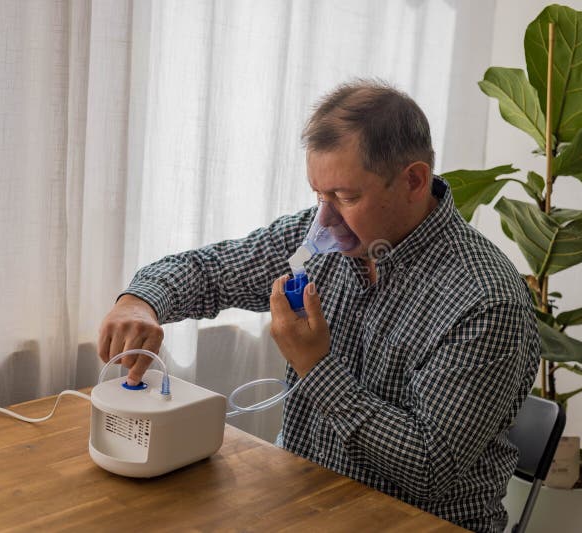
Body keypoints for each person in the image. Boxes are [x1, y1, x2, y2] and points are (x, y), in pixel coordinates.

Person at [98, 79, 539, 533]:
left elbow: (428, 468)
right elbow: (212, 270)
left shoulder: (487, 302)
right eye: (318, 195)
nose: (324, 220)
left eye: (346, 197)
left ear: (413, 180)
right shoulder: (323, 239)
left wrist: (317, 366)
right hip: (305, 499)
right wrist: (140, 302)